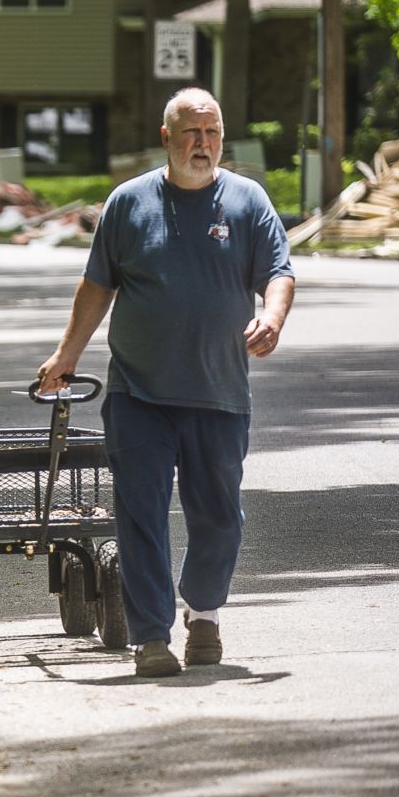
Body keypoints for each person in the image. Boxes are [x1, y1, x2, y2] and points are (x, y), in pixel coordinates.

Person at [36, 88, 296, 677]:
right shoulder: (128, 203)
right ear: (167, 138)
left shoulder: (247, 201)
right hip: (139, 392)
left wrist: (273, 317)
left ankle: (202, 615)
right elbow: (98, 284)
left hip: (219, 391)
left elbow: (278, 271)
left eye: (212, 132)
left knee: (219, 517)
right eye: (191, 133)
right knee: (141, 513)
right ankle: (151, 635)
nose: (203, 144)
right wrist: (66, 355)